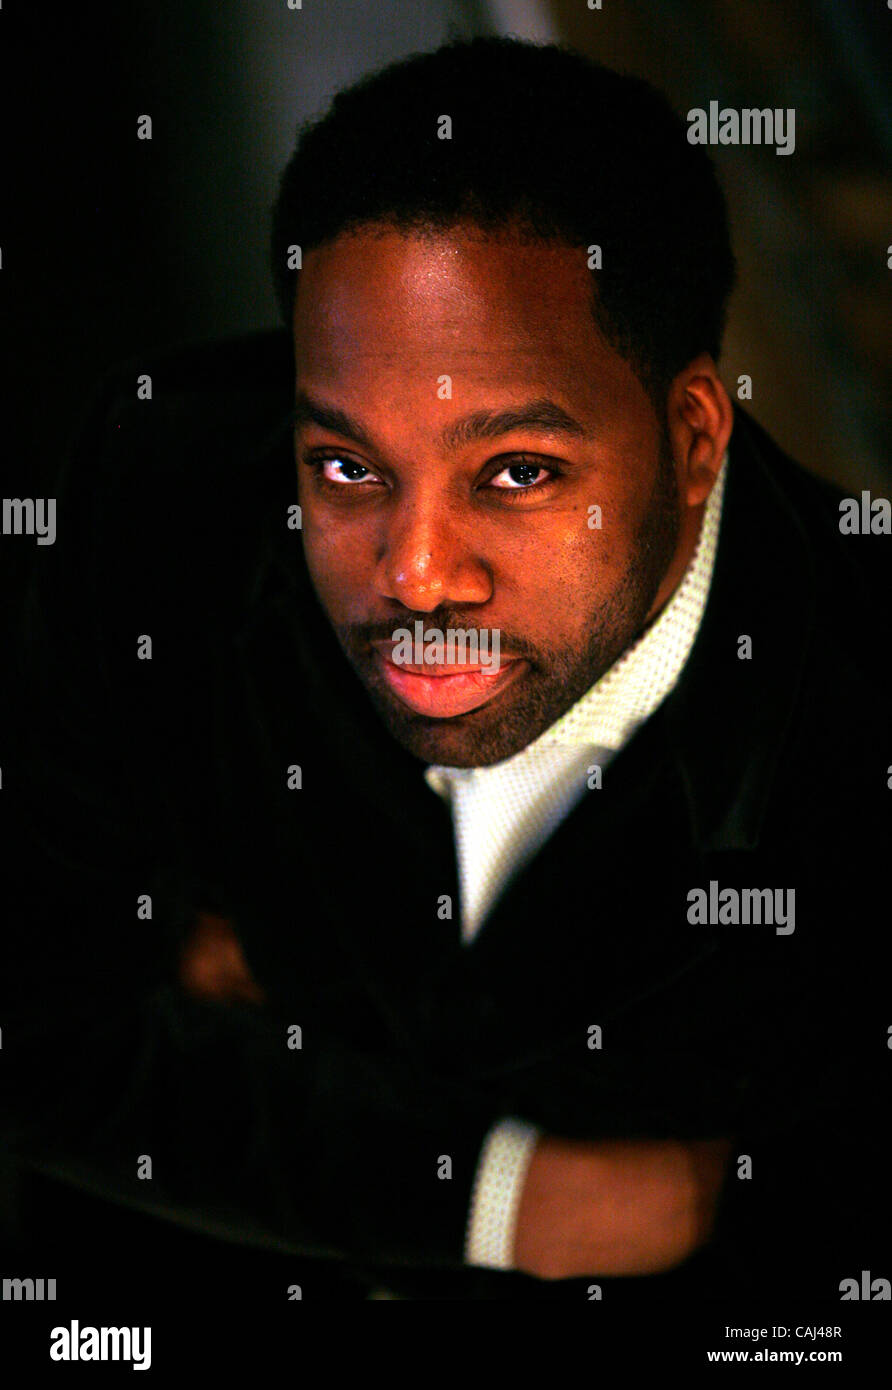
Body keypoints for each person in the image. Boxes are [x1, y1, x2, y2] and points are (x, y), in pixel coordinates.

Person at [2, 35, 889, 1303]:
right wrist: (493, 1194)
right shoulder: (171, 478)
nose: (414, 573)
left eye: (517, 471)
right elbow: (33, 1019)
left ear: (693, 437)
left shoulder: (855, 719)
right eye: (349, 467)